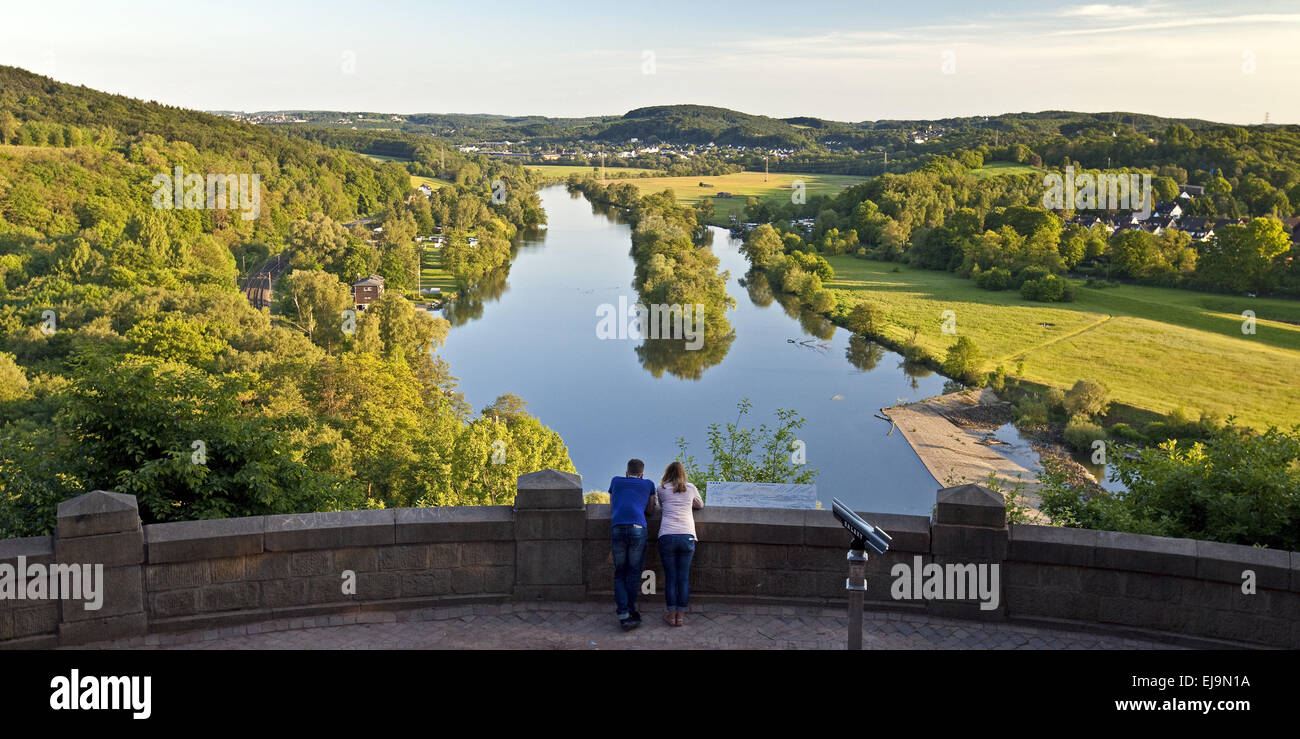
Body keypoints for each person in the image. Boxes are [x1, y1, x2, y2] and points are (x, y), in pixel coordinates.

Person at [654, 461, 703, 627]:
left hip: (667, 535)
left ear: (667, 473)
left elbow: (660, 505)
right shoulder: (690, 488)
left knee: (670, 578)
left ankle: (671, 614)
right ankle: (680, 616)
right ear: (683, 474)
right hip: (687, 536)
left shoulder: (661, 489)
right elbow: (700, 505)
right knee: (683, 578)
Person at [608, 458, 656, 631]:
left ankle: (623, 613)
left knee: (620, 572)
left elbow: (612, 506)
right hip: (638, 528)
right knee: (634, 572)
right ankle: (631, 609)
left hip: (618, 526)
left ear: (626, 473)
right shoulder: (648, 484)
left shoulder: (615, 481)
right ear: (642, 474)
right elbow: (651, 510)